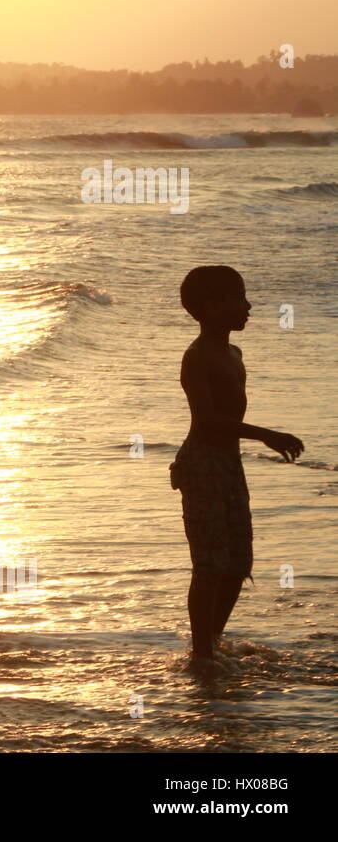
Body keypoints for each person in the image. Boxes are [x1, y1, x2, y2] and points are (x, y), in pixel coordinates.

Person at [170, 266, 303, 666]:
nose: (248, 306)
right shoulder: (197, 356)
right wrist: (268, 434)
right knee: (209, 564)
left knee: (238, 563)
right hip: (203, 463)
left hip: (228, 464)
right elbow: (206, 420)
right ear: (212, 307)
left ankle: (212, 641)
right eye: (239, 299)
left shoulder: (234, 353)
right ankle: (201, 655)